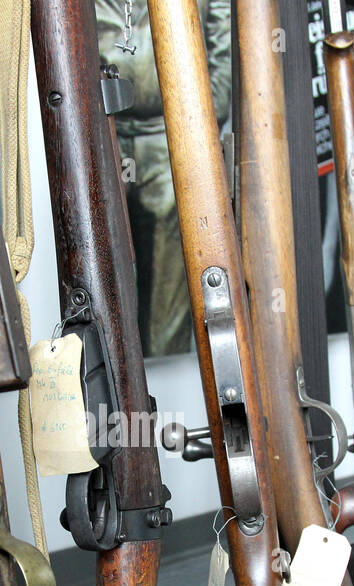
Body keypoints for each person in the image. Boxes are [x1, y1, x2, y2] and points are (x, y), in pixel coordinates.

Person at [95, 1, 232, 356]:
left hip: (172, 137)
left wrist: (193, 119)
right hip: (99, 133)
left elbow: (222, 50)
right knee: (98, 294)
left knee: (165, 316)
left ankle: (163, 402)